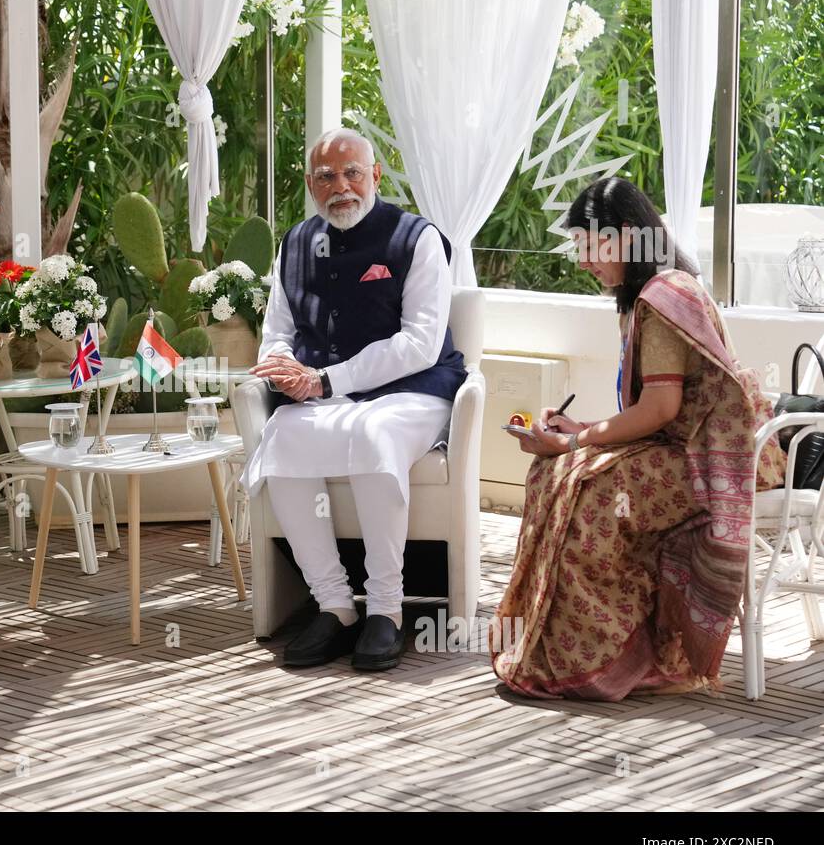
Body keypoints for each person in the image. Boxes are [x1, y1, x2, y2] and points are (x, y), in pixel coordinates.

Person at [492, 176, 785, 700]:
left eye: (588, 245)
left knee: (592, 495)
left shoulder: (663, 296)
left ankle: (615, 660)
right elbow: (656, 413)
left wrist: (577, 442)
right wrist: (581, 433)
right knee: (556, 473)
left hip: (718, 462)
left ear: (625, 236)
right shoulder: (647, 295)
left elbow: (661, 409)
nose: (583, 261)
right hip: (687, 450)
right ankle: (594, 648)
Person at [244, 128, 466, 670]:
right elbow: (278, 329)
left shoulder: (417, 239)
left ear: (376, 177)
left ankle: (385, 612)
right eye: (326, 176)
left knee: (375, 432)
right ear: (310, 184)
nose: (340, 186)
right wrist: (282, 366)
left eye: (352, 174)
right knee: (286, 435)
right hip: (328, 393)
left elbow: (419, 343)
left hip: (415, 391)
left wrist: (324, 380)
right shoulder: (294, 243)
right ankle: (335, 606)